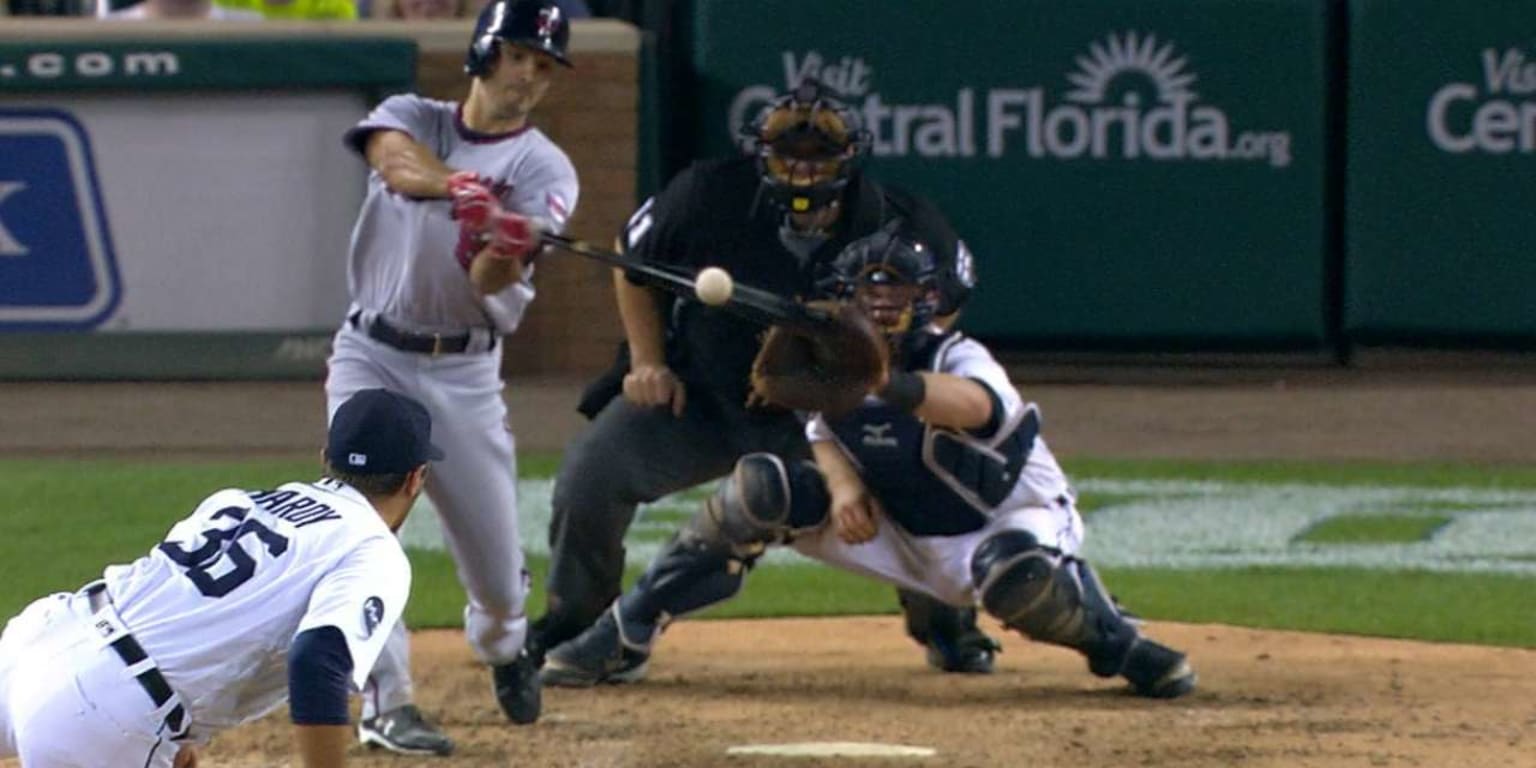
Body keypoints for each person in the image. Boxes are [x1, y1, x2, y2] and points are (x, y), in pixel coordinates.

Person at [542, 228, 1199, 700]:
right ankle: (624, 632)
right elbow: (821, 431)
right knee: (762, 488)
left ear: (929, 298)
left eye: (898, 288)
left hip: (1000, 524)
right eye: (869, 288)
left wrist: (883, 382)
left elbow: (975, 408)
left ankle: (1120, 646)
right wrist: (844, 488)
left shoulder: (956, 355)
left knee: (1016, 578)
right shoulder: (833, 363)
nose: (883, 301)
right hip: (898, 528)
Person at [532, 79, 1000, 684]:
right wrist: (648, 362)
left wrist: (878, 375)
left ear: (850, 158)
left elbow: (949, 299)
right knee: (591, 475)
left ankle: (947, 626)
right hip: (702, 398)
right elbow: (630, 260)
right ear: (761, 153)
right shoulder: (706, 194)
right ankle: (576, 625)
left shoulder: (899, 221)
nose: (803, 170)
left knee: (916, 480)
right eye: (788, 155)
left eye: (818, 156)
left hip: (831, 418)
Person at [324, 0, 579, 754]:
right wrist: (463, 190)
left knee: (498, 581)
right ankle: (387, 700)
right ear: (484, 53)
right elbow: (395, 164)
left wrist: (505, 243)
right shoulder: (415, 116)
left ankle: (505, 646)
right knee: (361, 527)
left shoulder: (544, 169)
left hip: (464, 370)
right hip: (371, 351)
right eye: (517, 55)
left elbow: (488, 279)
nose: (527, 75)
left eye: (543, 65)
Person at [0, 388, 442, 768]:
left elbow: (180, 601)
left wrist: (174, 737)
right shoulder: (372, 549)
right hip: (99, 713)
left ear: (325, 459)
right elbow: (317, 660)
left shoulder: (241, 501)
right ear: (415, 478)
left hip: (45, 635)